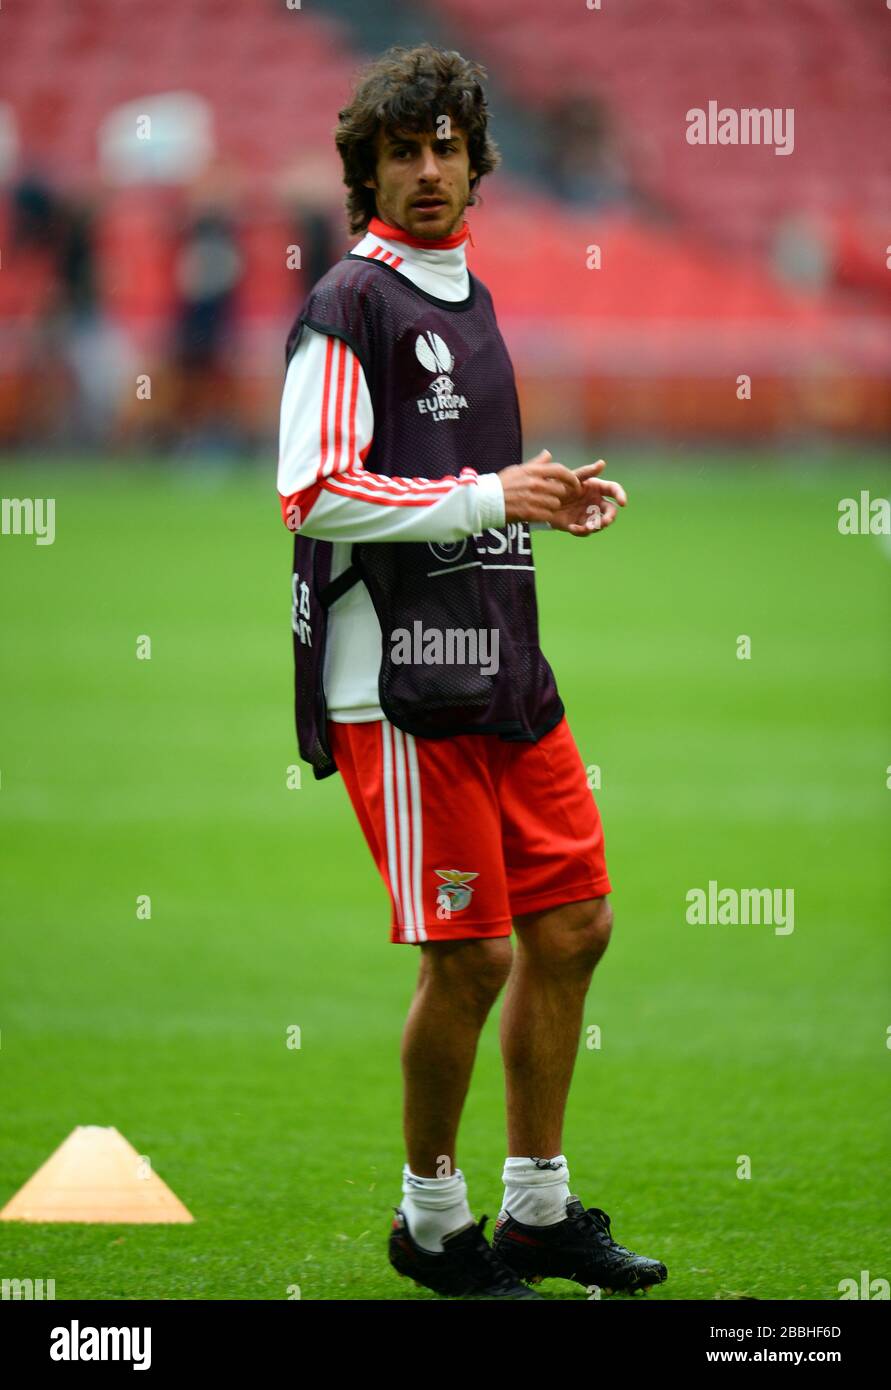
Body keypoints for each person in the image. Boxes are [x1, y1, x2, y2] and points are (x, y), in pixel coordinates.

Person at [276, 43, 667, 1301]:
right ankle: (433, 1223)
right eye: (404, 151)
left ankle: (539, 1212)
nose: (430, 169)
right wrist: (492, 493)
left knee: (576, 922)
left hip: (504, 666)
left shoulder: (471, 296)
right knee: (473, 956)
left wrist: (539, 503)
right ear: (370, 171)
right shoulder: (350, 301)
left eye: (447, 146)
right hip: (399, 683)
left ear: (476, 161)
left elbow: (465, 492)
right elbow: (314, 491)